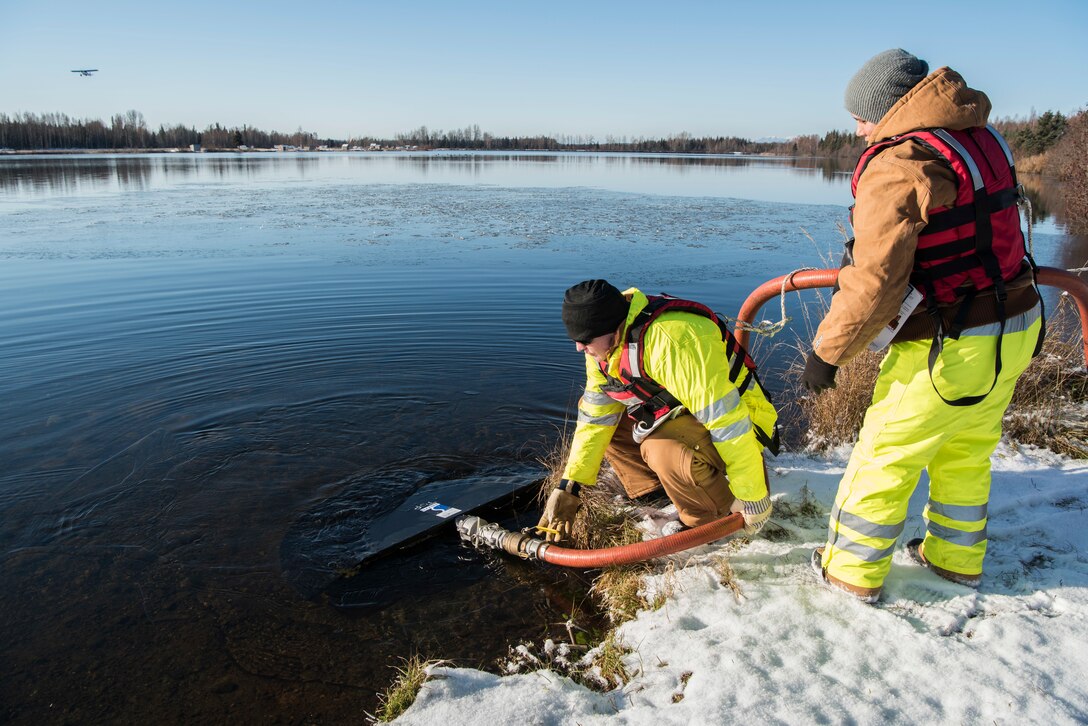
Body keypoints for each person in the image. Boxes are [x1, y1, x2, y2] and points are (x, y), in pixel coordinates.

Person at [805, 49, 1043, 603]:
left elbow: (875, 280)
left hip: (949, 343)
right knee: (966, 447)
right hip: (1015, 322)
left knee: (883, 455)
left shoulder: (899, 162)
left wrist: (828, 354)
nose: (860, 130)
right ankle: (955, 559)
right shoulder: (981, 140)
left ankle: (849, 574)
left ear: (889, 109)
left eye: (862, 117)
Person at [535, 279, 779, 544]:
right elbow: (595, 418)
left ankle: (708, 523)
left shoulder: (674, 342)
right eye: (576, 339)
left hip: (744, 426)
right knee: (607, 419)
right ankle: (658, 494)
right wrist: (570, 486)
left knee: (660, 448)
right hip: (685, 416)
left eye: (584, 340)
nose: (579, 348)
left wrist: (753, 496)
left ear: (613, 330)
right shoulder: (602, 345)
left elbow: (728, 424)